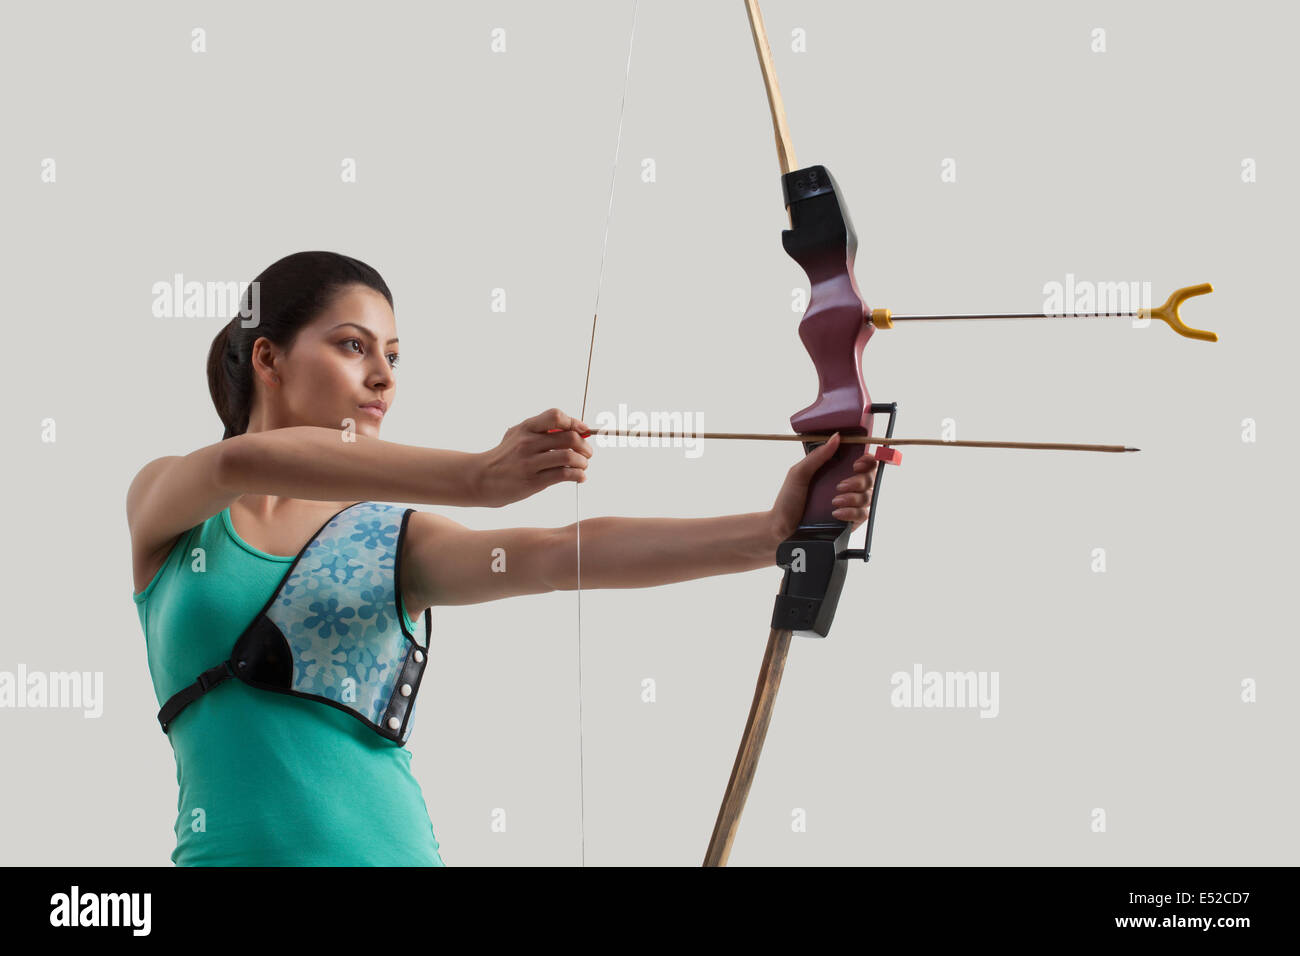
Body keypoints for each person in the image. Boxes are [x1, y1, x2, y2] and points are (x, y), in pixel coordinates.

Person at [127, 250, 876, 866]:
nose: (383, 376)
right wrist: (478, 478)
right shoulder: (171, 504)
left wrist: (769, 534)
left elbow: (555, 556)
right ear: (268, 356)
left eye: (393, 355)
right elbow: (242, 467)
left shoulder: (391, 540)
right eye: (353, 345)